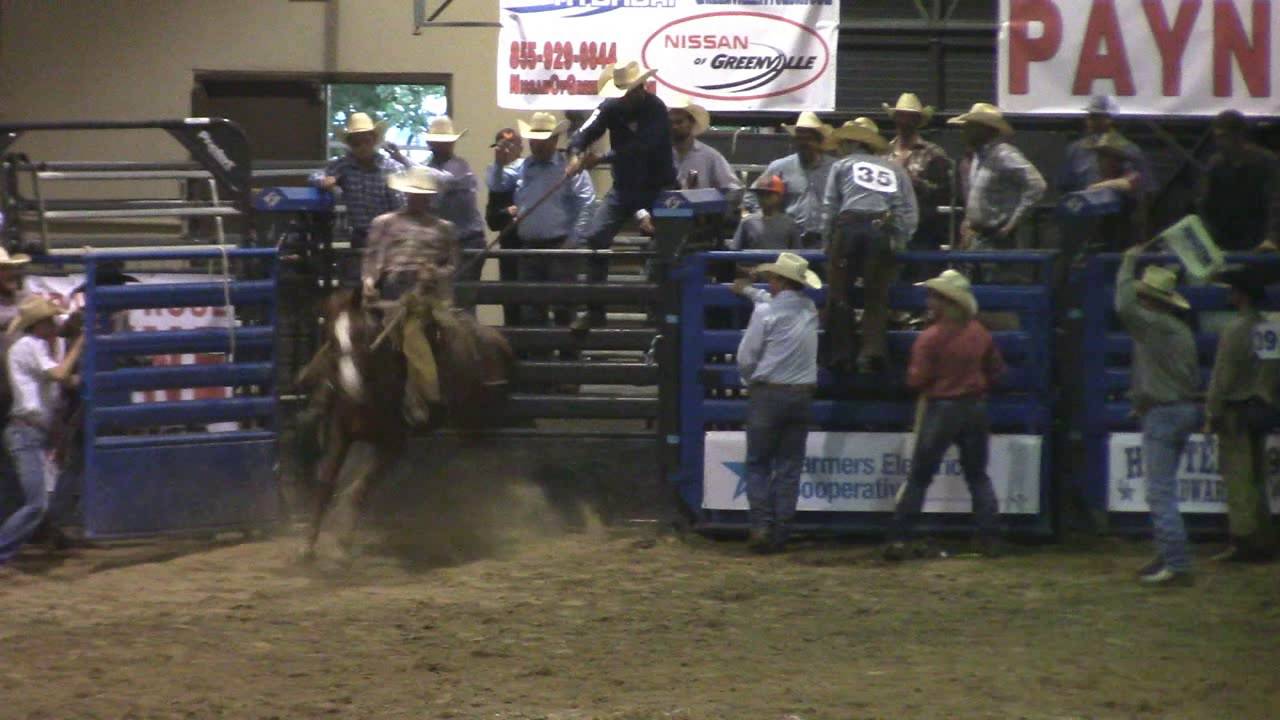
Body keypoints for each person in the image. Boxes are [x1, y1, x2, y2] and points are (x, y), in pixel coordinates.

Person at [884, 270, 1004, 561]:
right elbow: (997, 371)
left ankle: (900, 538)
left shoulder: (930, 338)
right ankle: (989, 537)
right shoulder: (980, 333)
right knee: (977, 475)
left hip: (942, 407)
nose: (928, 300)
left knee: (919, 476)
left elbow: (916, 379)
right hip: (974, 406)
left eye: (933, 296)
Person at [566, 61, 676, 331]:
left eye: (630, 91)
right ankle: (595, 310)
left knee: (665, 247)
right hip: (624, 188)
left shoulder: (657, 110)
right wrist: (575, 153)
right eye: (622, 93)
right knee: (595, 237)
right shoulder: (609, 107)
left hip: (658, 189)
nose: (625, 98)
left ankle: (661, 313)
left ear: (641, 88)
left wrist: (601, 157)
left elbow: (643, 148)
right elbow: (584, 131)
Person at [1115, 241, 1201, 586]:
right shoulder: (1178, 331)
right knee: (1164, 489)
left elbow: (1123, 305)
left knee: (1160, 491)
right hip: (1179, 407)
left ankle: (1177, 563)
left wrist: (1128, 260)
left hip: (1165, 413)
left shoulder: (1154, 327)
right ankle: (1168, 554)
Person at [732, 252, 820, 553]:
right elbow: (770, 302)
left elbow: (745, 358)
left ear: (781, 281)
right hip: (802, 394)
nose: (768, 282)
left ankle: (761, 527)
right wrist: (749, 290)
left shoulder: (766, 313)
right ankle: (782, 530)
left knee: (758, 462)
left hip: (769, 393)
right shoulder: (810, 309)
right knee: (789, 465)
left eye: (772, 278)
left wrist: (749, 380)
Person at [361, 167, 460, 424]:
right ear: (405, 194)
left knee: (412, 330)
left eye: (422, 195)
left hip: (425, 295)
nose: (417, 199)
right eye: (412, 194)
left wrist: (434, 273)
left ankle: (426, 396)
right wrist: (369, 281)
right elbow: (372, 258)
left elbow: (452, 266)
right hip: (391, 290)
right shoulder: (384, 223)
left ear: (429, 197)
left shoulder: (444, 228)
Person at [487, 112, 595, 345]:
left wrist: (574, 239)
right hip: (529, 249)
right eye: (533, 139)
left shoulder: (569, 168)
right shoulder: (524, 167)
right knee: (531, 311)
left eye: (541, 139)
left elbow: (586, 203)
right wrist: (498, 163)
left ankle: (567, 372)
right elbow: (497, 184)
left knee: (564, 310)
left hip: (560, 247)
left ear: (554, 141)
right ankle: (540, 373)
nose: (535, 144)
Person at [821, 117, 917, 374]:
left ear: (852, 143)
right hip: (880, 228)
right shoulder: (893, 168)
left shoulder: (842, 166)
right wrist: (899, 239)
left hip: (849, 225)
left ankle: (840, 354)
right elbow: (906, 208)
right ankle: (872, 352)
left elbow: (830, 206)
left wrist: (826, 242)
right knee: (877, 294)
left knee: (839, 292)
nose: (839, 148)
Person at [0, 296, 84, 564]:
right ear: (38, 324)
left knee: (38, 497)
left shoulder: (35, 348)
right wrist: (80, 343)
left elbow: (61, 378)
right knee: (37, 502)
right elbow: (60, 375)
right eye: (50, 320)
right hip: (27, 432)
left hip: (31, 431)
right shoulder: (31, 346)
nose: (54, 324)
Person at [1205, 266, 1278, 562]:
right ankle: (1262, 536)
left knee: (1238, 476)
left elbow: (1222, 376)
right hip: (1261, 407)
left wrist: (1212, 411)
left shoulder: (1235, 329)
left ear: (1241, 295)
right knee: (1257, 476)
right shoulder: (1269, 328)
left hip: (1236, 410)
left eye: (1233, 290)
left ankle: (1244, 539)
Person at [312, 112, 413, 282]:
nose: (362, 147)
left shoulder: (390, 167)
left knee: (387, 283)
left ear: (374, 141)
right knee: (358, 284)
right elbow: (315, 176)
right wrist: (324, 181)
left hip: (388, 236)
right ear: (350, 145)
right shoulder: (344, 165)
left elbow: (400, 206)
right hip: (359, 235)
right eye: (356, 143)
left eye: (366, 141)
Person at [949, 103, 1046, 278]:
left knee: (995, 286)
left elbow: (1037, 184)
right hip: (976, 238)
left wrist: (1012, 222)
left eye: (970, 126)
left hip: (997, 239)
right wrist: (968, 221)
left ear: (984, 129)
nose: (965, 130)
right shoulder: (978, 157)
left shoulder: (1004, 154)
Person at [421, 116, 486, 308]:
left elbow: (445, 180)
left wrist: (404, 160)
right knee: (438, 300)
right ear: (430, 143)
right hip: (440, 242)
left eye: (446, 142)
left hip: (468, 240)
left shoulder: (460, 166)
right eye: (439, 142)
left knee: (463, 300)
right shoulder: (427, 168)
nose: (443, 146)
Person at [744, 111, 835, 248]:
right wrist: (770, 220)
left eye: (808, 138)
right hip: (789, 238)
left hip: (824, 238)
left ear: (819, 141)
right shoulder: (780, 167)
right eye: (799, 138)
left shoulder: (835, 168)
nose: (803, 143)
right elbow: (752, 196)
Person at [1198, 110, 1279, 252]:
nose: (1219, 143)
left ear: (1239, 135)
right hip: (1225, 241)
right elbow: (1206, 205)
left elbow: (1276, 202)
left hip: (1260, 241)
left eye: (1224, 137)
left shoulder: (1266, 162)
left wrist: (1272, 238)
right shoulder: (1216, 165)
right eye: (1217, 138)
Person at [882, 93, 953, 251]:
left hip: (923, 230)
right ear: (895, 119)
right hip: (887, 229)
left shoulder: (934, 153)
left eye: (910, 117)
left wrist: (913, 182)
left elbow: (944, 191)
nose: (905, 122)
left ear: (918, 121)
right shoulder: (883, 153)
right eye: (902, 117)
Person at [1058, 96, 1149, 195]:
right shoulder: (1075, 149)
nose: (1089, 120)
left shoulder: (1129, 150)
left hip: (1117, 207)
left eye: (1095, 116)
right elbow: (1063, 185)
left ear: (1109, 119)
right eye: (1089, 116)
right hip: (1082, 206)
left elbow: (1141, 186)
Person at [667, 94, 742, 202]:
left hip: (700, 216)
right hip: (666, 214)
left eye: (679, 122)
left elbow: (733, 188)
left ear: (692, 123)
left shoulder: (709, 156)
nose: (674, 127)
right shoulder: (661, 156)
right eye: (670, 122)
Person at [1084, 131, 1149, 253]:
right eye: (1099, 156)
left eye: (1104, 156)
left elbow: (1126, 184)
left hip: (1130, 248)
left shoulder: (1132, 175)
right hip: (1107, 246)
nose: (1099, 161)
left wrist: (1096, 187)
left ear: (1116, 159)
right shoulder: (1102, 178)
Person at [485, 127, 525, 326]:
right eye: (501, 147)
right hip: (509, 247)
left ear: (521, 148)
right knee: (510, 303)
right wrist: (508, 212)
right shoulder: (495, 180)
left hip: (531, 244)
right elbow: (492, 220)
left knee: (533, 303)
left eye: (510, 146)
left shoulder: (530, 172)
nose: (505, 151)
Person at [729, 175, 802, 251]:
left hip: (781, 263)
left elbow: (797, 254)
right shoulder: (748, 222)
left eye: (768, 194)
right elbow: (735, 251)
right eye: (760, 194)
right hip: (754, 262)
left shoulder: (789, 224)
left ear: (779, 196)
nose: (763, 198)